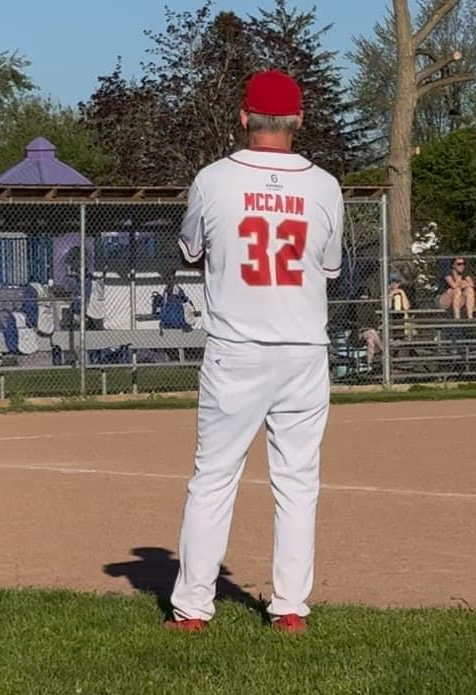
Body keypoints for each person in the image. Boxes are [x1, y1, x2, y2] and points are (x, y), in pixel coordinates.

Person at [164, 69, 343, 634]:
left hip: (236, 348)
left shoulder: (213, 179)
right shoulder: (325, 186)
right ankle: (289, 607)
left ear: (243, 117)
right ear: (298, 120)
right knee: (298, 482)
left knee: (213, 479)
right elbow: (330, 267)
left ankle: (193, 609)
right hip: (303, 348)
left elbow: (191, 249)